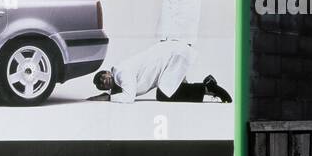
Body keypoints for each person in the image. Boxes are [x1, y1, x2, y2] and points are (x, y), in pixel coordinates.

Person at [92, 44, 232, 103]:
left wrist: (108, 98)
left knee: (164, 95)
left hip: (171, 57)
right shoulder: (119, 79)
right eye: (101, 85)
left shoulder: (121, 72)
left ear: (107, 72)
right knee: (172, 90)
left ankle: (209, 86)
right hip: (169, 58)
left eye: (102, 78)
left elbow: (129, 97)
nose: (103, 82)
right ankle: (208, 86)